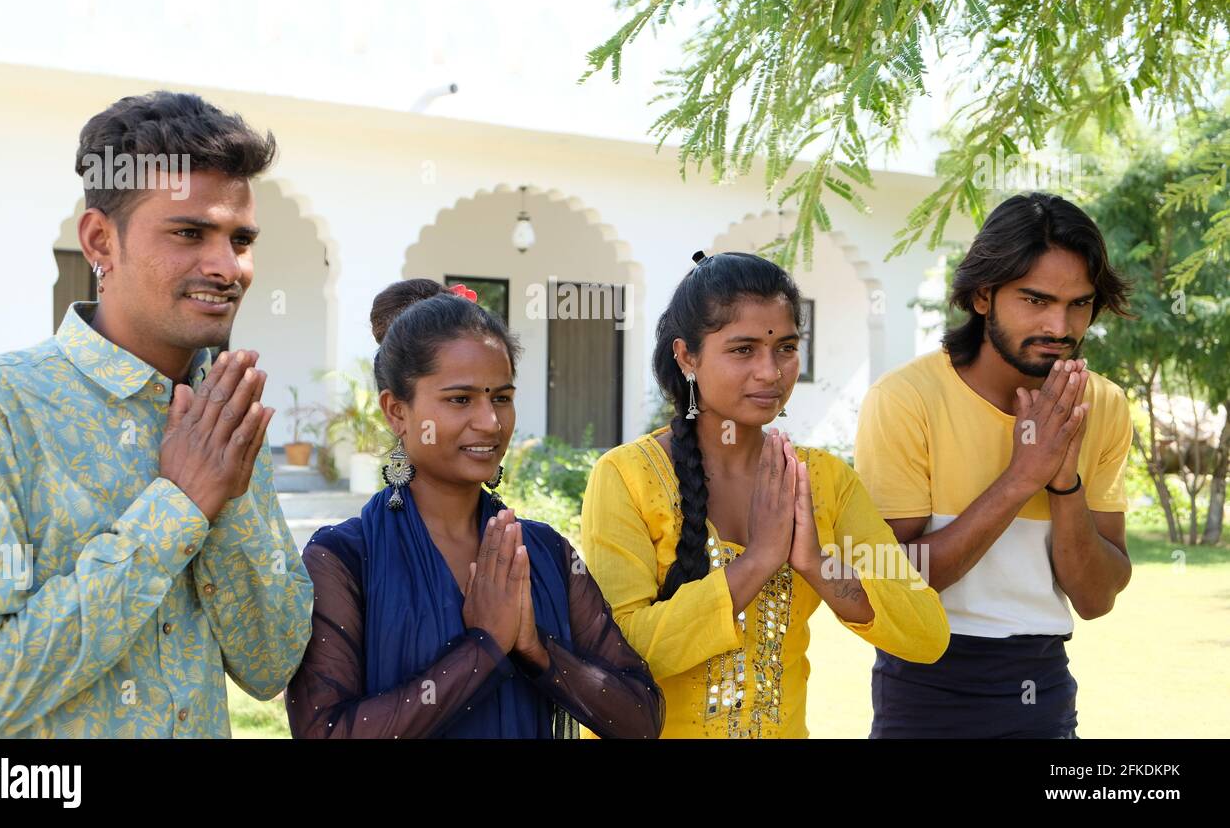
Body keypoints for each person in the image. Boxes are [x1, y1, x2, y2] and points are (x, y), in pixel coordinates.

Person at [0, 91, 313, 737]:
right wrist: (178, 509)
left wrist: (222, 496)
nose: (227, 267)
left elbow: (272, 663)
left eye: (240, 239)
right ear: (100, 240)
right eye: (190, 232)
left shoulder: (224, 416)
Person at [580, 251, 948, 738]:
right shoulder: (627, 477)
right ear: (687, 356)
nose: (771, 372)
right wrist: (756, 563)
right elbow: (618, 652)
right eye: (743, 349)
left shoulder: (825, 481)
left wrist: (817, 564)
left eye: (786, 348)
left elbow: (926, 633)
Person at [286, 279, 664, 738]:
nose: (490, 422)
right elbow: (325, 731)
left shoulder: (543, 553)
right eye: (460, 399)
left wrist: (535, 648)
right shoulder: (344, 559)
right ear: (396, 411)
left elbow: (642, 719)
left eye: (501, 398)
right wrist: (483, 648)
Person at [855, 192, 1134, 738]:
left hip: (1043, 683)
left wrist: (1063, 482)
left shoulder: (1102, 406)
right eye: (1036, 300)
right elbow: (895, 579)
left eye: (1079, 304)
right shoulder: (905, 399)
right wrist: (1022, 477)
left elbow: (1096, 598)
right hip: (925, 679)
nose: (1060, 326)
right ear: (983, 295)